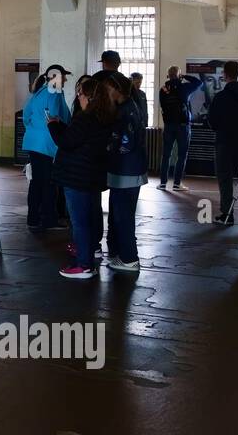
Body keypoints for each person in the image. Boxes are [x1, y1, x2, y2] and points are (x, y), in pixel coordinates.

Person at [48, 75, 116, 279]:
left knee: (79, 221)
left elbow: (66, 141)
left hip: (76, 175)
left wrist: (53, 125)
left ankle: (84, 264)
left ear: (88, 97)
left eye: (80, 94)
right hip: (92, 174)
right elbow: (77, 139)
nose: (78, 98)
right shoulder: (104, 117)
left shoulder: (84, 118)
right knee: (89, 216)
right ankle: (88, 252)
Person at [206, 60, 238, 225]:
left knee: (225, 178)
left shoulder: (221, 97)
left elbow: (212, 121)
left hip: (224, 142)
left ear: (224, 74)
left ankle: (227, 214)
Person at [105, 73, 146, 272]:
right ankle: (122, 253)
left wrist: (106, 148)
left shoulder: (127, 111)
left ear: (118, 89)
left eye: (108, 89)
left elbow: (125, 143)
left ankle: (129, 258)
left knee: (123, 216)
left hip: (127, 171)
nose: (106, 93)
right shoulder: (126, 108)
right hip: (124, 171)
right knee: (118, 215)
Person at [22, 63, 71, 231]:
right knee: (49, 182)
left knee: (37, 181)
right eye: (63, 76)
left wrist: (34, 129)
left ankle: (33, 218)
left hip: (33, 142)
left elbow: (26, 115)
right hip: (47, 143)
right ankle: (49, 220)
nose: (65, 80)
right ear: (57, 76)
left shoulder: (38, 92)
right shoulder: (54, 91)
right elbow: (56, 118)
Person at [157, 66, 201, 190]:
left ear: (168, 75)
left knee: (166, 155)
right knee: (182, 155)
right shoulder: (184, 87)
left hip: (168, 126)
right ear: (179, 75)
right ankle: (177, 184)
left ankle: (162, 183)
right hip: (183, 126)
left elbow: (163, 106)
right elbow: (199, 82)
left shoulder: (163, 90)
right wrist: (184, 77)